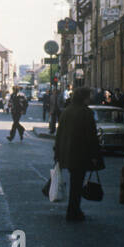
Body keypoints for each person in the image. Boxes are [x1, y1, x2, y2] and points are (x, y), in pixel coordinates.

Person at [54, 86, 101, 222]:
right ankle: (73, 211)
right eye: (88, 96)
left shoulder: (66, 111)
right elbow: (91, 136)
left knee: (75, 182)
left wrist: (57, 153)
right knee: (77, 183)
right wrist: (95, 156)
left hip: (67, 153)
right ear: (84, 97)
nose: (90, 98)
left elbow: (59, 134)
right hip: (80, 154)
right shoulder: (86, 113)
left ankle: (74, 209)